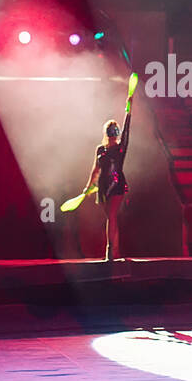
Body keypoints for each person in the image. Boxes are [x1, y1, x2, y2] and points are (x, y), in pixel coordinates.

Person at [82, 96, 133, 261]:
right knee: (111, 219)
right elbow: (95, 169)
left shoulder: (120, 148)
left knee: (111, 217)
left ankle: (110, 251)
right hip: (103, 187)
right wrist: (88, 186)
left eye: (115, 132)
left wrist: (128, 110)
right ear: (106, 133)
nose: (113, 135)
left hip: (117, 184)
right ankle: (114, 250)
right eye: (111, 132)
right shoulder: (100, 149)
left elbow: (127, 130)